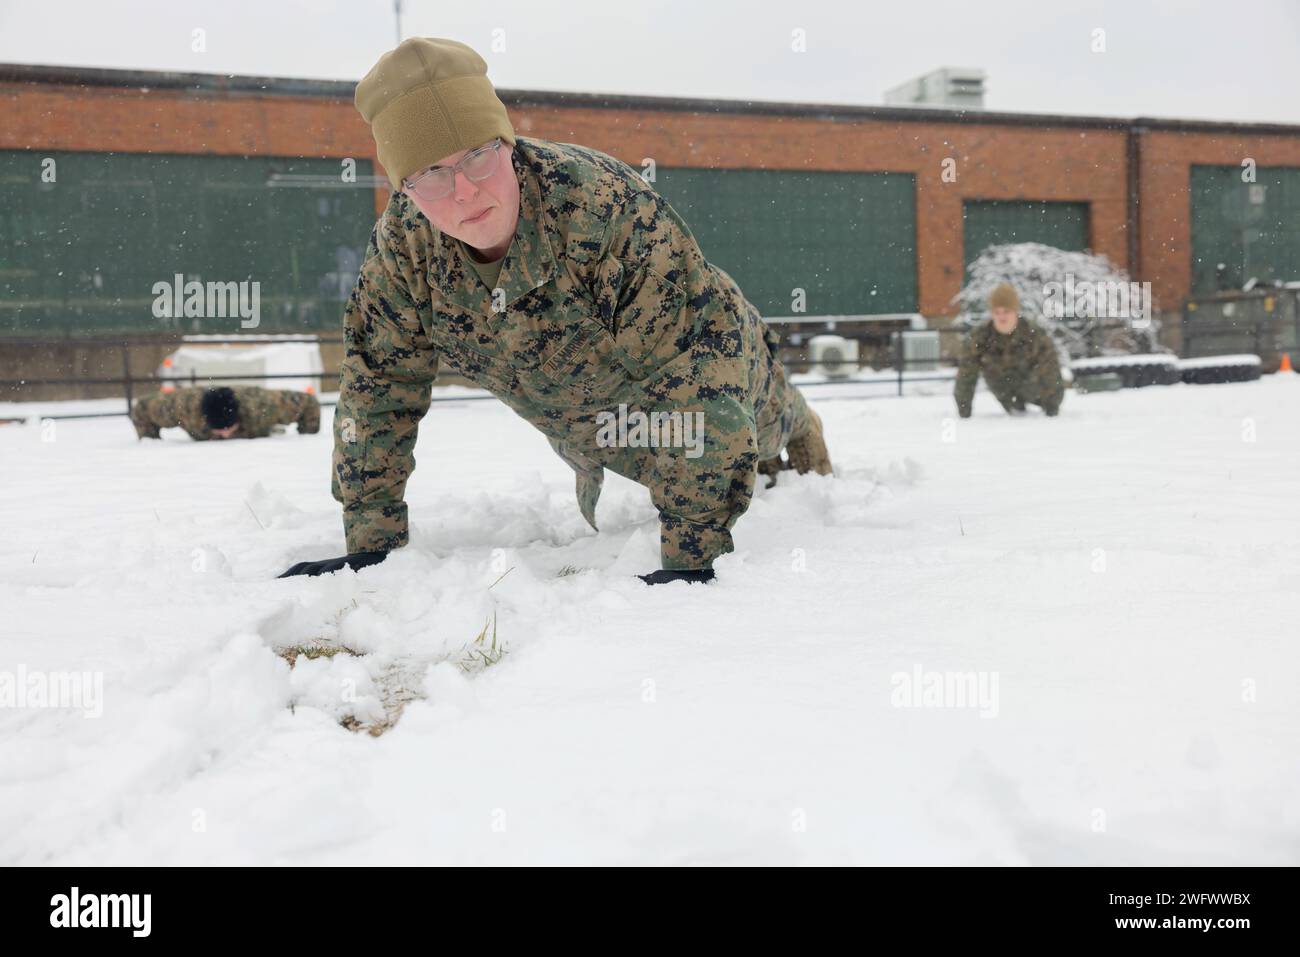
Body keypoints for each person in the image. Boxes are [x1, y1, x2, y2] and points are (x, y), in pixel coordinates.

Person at [279, 37, 832, 585]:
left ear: (507, 144)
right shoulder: (402, 252)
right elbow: (377, 391)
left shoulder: (606, 209)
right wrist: (370, 547)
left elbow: (693, 378)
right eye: (431, 174)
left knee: (757, 428)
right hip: (576, 405)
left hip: (716, 352)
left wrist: (691, 561)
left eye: (478, 154)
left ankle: (802, 423)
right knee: (626, 443)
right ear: (405, 187)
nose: (466, 191)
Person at [954, 284, 1065, 418]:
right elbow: (966, 375)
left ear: (1015, 312)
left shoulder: (1034, 335)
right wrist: (964, 411)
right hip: (1004, 392)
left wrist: (1052, 408)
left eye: (1006, 311)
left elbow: (1052, 372)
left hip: (1034, 389)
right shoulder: (979, 338)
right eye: (997, 312)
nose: (1002, 317)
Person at [130, 385, 320, 441]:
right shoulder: (183, 407)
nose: (226, 436)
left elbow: (309, 403)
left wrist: (305, 437)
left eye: (230, 428)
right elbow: (141, 408)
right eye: (219, 432)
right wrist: (150, 443)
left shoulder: (263, 406)